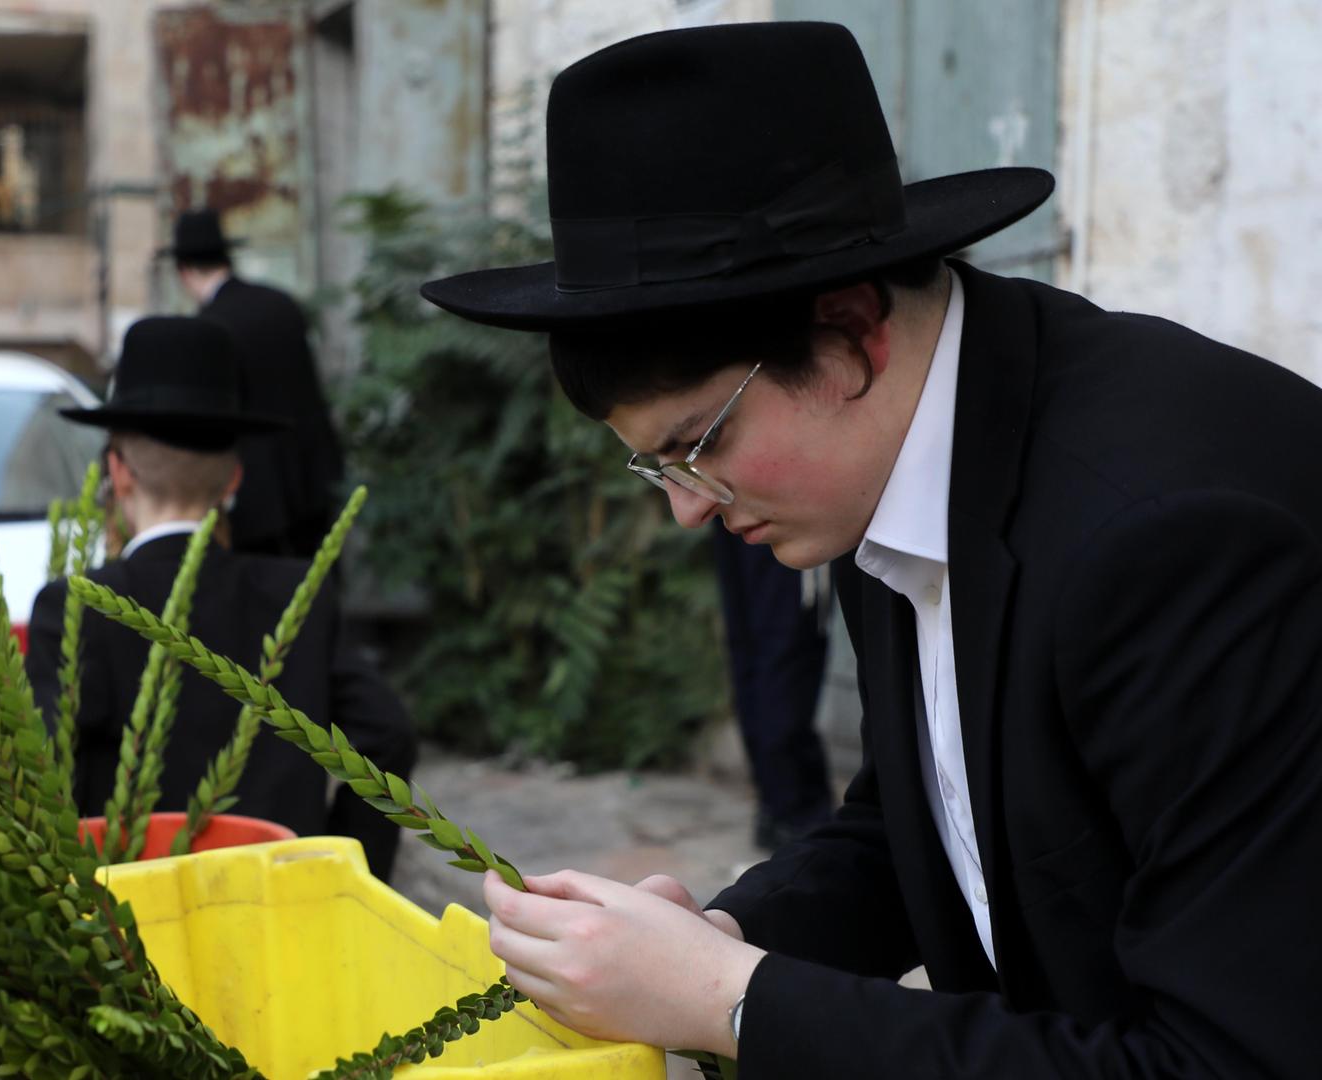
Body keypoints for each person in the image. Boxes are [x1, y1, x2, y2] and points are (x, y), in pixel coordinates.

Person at [418, 22, 1322, 1079]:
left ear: (851, 333)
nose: (687, 513)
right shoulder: (894, 455)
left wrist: (734, 1004)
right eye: (651, 466)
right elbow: (925, 817)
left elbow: (1235, 1062)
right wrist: (719, 940)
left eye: (698, 445)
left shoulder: (1170, 542)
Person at [26, 316, 415, 880]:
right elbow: (389, 734)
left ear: (118, 471)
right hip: (278, 912)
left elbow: (44, 774)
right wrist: (341, 868)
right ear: (234, 480)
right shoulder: (296, 595)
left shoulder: (77, 605)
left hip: (131, 928)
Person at [166, 209, 346, 558]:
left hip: (255, 502)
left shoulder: (208, 328)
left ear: (184, 272)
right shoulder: (282, 304)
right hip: (312, 482)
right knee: (317, 591)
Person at [710, 530, 833, 852]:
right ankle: (797, 810)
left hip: (735, 500)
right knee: (786, 648)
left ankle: (778, 805)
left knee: (753, 647)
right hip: (784, 502)